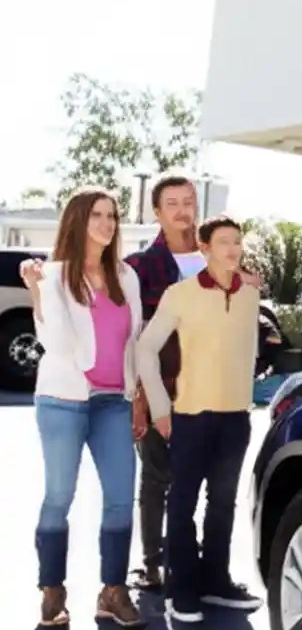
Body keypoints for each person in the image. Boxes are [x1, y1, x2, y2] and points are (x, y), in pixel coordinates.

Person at [20, 173, 263, 591]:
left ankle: (190, 577)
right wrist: (143, 397)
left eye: (188, 201)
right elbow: (117, 340)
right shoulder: (138, 267)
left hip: (197, 393)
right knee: (151, 479)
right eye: (172, 203)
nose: (183, 210)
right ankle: (144, 567)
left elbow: (152, 333)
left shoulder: (209, 261)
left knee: (202, 490)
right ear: (157, 212)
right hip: (129, 392)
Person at [137, 214, 263, 623]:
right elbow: (145, 349)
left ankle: (216, 582)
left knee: (223, 503)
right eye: (223, 242)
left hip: (236, 418)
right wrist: (160, 407)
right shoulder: (180, 294)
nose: (232, 250)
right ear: (204, 249)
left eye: (237, 242)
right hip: (191, 415)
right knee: (183, 502)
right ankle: (181, 589)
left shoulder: (249, 293)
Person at [27, 187, 144, 626]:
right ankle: (52, 590)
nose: (107, 223)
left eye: (112, 215)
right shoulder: (54, 275)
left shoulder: (126, 276)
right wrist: (38, 292)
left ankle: (113, 591)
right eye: (97, 214)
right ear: (78, 220)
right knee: (60, 496)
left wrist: (138, 395)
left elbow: (134, 339)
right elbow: (54, 342)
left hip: (114, 400)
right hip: (63, 400)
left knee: (119, 498)